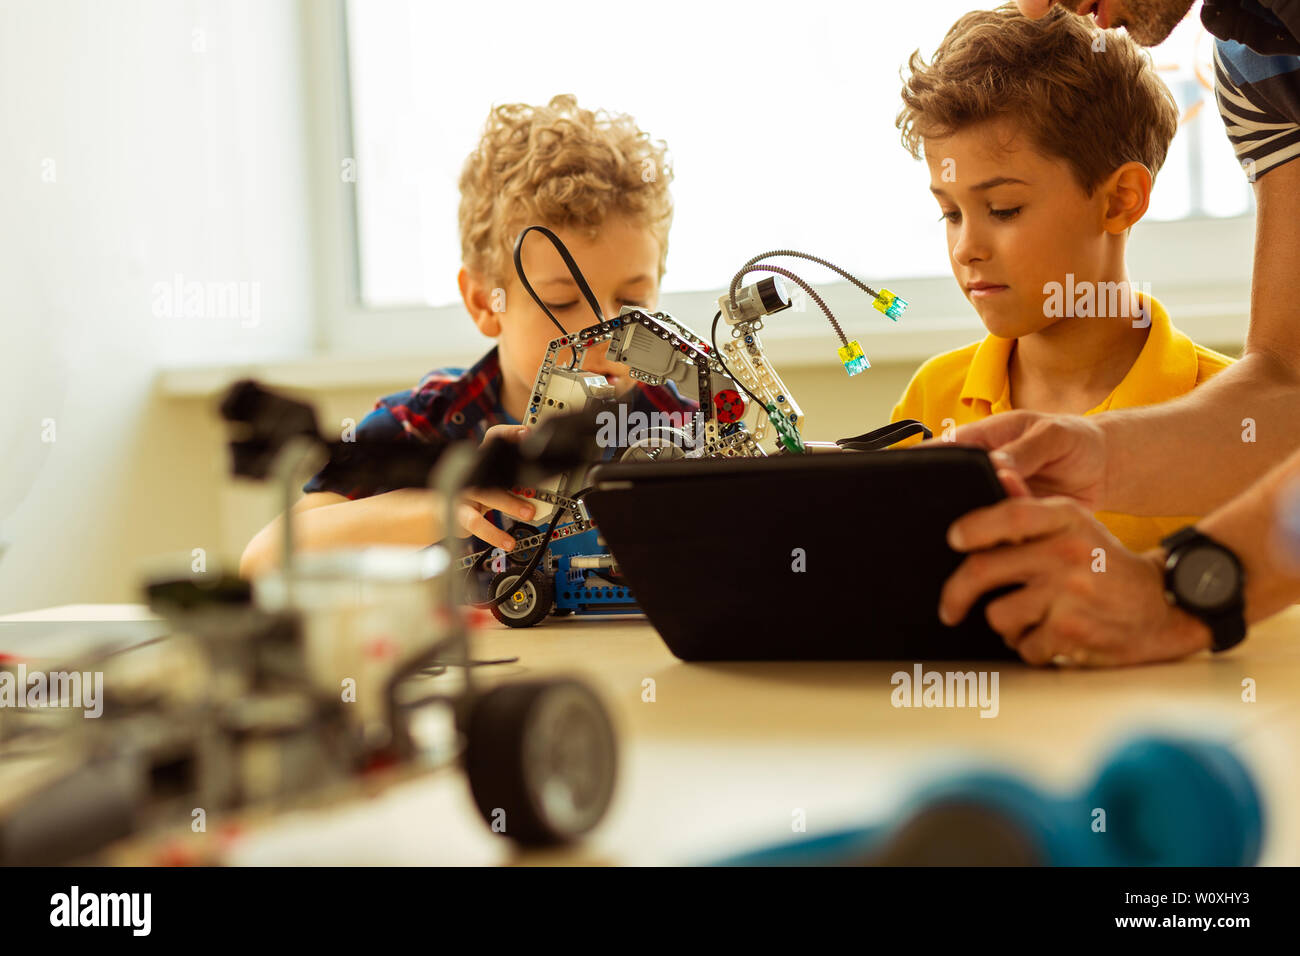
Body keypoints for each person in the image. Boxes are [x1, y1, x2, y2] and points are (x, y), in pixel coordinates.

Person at [933, 0, 1300, 665]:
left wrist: (1184, 596)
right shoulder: (1260, 66)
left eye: (1006, 207)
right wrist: (1101, 455)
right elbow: (1290, 387)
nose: (1037, 9)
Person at [240, 94, 696, 578]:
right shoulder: (429, 422)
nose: (607, 337)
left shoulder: (679, 425)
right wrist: (434, 504)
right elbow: (263, 560)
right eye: (561, 303)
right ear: (484, 302)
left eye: (633, 305)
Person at [891, 5, 1233, 554]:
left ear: (1121, 200)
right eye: (950, 213)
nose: (966, 248)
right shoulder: (932, 400)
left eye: (1003, 209)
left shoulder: (1229, 416)